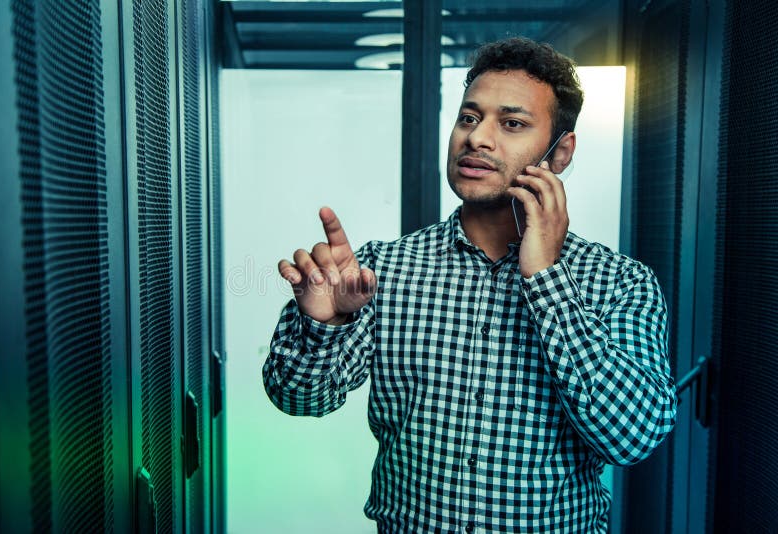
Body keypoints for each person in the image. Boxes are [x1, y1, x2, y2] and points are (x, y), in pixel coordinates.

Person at [263, 37, 676, 533]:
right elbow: (299, 399)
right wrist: (325, 324)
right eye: (468, 117)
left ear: (561, 151)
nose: (477, 138)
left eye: (512, 123)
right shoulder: (382, 269)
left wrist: (547, 278)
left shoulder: (621, 282)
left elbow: (633, 437)